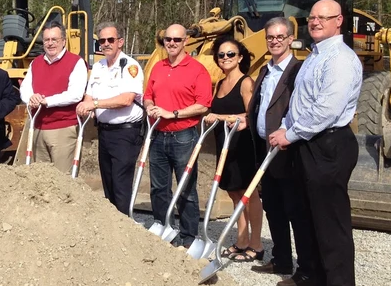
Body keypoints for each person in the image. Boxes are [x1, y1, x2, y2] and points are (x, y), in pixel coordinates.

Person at [269, 0, 363, 286]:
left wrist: (291, 134)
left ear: (339, 21)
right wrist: (285, 128)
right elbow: (300, 101)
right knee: (309, 218)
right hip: (307, 142)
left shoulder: (340, 60)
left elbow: (327, 110)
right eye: (311, 17)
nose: (315, 22)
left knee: (331, 223)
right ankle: (319, 282)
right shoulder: (314, 55)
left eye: (323, 18)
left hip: (329, 144)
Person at [246, 17, 313, 285]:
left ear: (289, 39)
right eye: (270, 38)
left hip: (287, 150)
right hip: (265, 149)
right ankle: (281, 258)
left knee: (295, 210)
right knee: (273, 208)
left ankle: (305, 269)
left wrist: (288, 135)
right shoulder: (265, 70)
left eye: (280, 37)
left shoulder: (298, 71)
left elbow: (301, 109)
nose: (275, 41)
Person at [143, 23, 213, 244]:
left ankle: (188, 236)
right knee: (158, 187)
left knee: (186, 189)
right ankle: (163, 227)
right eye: (168, 40)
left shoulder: (197, 70)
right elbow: (147, 95)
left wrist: (173, 113)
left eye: (176, 40)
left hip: (183, 136)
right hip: (157, 135)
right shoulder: (158, 67)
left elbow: (203, 105)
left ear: (185, 42)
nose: (171, 43)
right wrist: (149, 106)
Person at [204, 36, 263, 261]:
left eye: (230, 54)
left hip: (242, 145)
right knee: (235, 193)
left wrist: (220, 116)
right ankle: (242, 240)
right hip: (224, 143)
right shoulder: (219, 84)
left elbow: (251, 115)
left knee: (249, 194)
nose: (226, 58)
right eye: (221, 55)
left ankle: (256, 245)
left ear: (239, 58)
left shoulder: (246, 83)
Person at [76, 21, 143, 213]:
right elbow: (90, 94)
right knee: (108, 182)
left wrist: (94, 104)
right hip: (104, 132)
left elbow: (126, 99)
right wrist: (84, 106)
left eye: (110, 40)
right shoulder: (98, 67)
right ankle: (114, 228)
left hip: (125, 134)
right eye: (102, 41)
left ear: (120, 42)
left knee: (121, 182)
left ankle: (124, 227)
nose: (106, 44)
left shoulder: (130, 66)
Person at [19, 20, 89, 173]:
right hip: (38, 128)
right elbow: (25, 87)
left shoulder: (76, 63)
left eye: (54, 40)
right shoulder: (36, 63)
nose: (50, 44)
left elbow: (75, 94)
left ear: (63, 41)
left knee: (62, 178)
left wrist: (46, 101)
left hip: (63, 129)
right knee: (41, 178)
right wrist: (31, 97)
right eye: (46, 40)